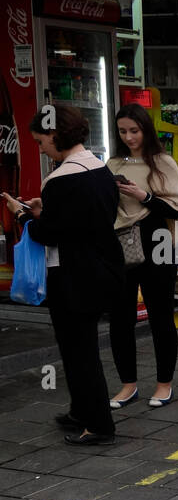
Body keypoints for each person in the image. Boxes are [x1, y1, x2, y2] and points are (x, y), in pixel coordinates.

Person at [3, 106, 124, 445]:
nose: (40, 148)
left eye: (41, 141)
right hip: (103, 267)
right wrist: (45, 211)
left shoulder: (60, 179)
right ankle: (81, 412)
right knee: (80, 347)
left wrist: (23, 216)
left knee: (79, 351)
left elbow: (49, 234)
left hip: (72, 275)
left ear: (55, 136)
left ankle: (98, 424)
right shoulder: (100, 168)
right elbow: (82, 220)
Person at [106, 104, 178, 409]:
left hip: (158, 242)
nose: (129, 137)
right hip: (120, 243)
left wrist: (143, 196)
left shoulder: (163, 163)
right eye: (122, 131)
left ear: (146, 130)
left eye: (135, 130)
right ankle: (128, 385)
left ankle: (163, 384)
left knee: (160, 316)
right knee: (120, 318)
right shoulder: (114, 162)